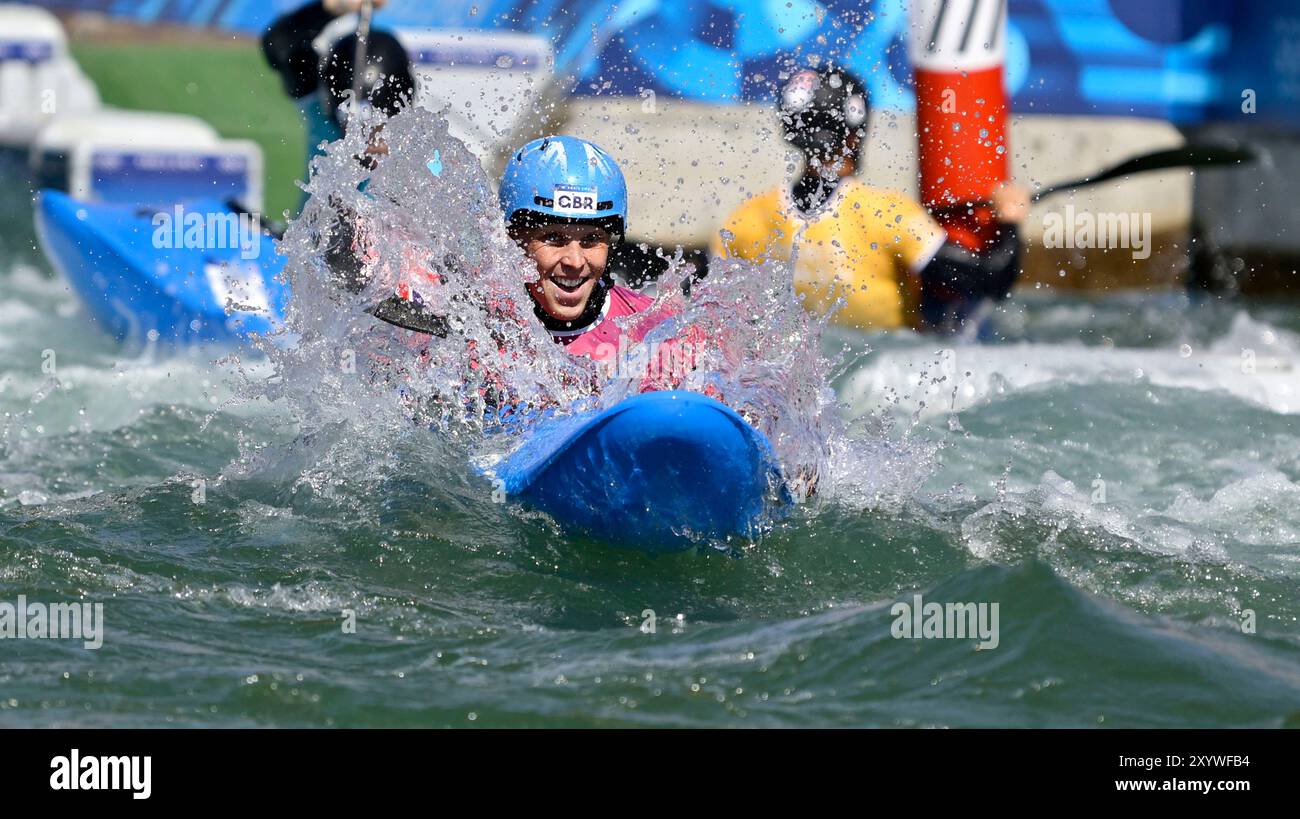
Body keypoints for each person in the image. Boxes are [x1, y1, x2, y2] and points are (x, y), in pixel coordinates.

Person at [711, 65, 1029, 335]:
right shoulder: (887, 214)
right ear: (854, 136)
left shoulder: (744, 222)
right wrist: (1012, 222)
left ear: (790, 130)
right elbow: (992, 281)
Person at [261, 0, 415, 207]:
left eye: (375, 132)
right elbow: (279, 43)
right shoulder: (322, 115)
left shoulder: (424, 160)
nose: (363, 144)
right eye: (350, 126)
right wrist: (333, 7)